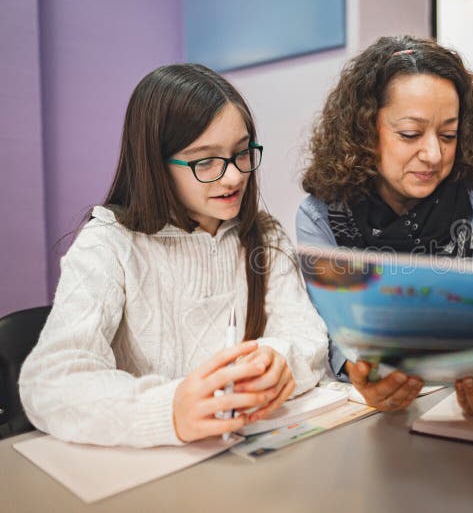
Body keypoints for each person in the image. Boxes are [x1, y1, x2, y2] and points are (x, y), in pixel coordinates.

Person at [19, 64, 329, 446]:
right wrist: (168, 410)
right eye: (206, 161)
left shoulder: (262, 235)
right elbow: (50, 383)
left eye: (241, 153)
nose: (233, 176)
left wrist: (280, 358)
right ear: (155, 164)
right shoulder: (109, 245)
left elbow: (307, 335)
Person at [296, 35, 473, 415]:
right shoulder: (320, 216)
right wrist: (363, 372)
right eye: (410, 134)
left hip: (460, 410)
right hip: (364, 413)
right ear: (364, 130)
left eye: (448, 135)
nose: (433, 154)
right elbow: (331, 332)